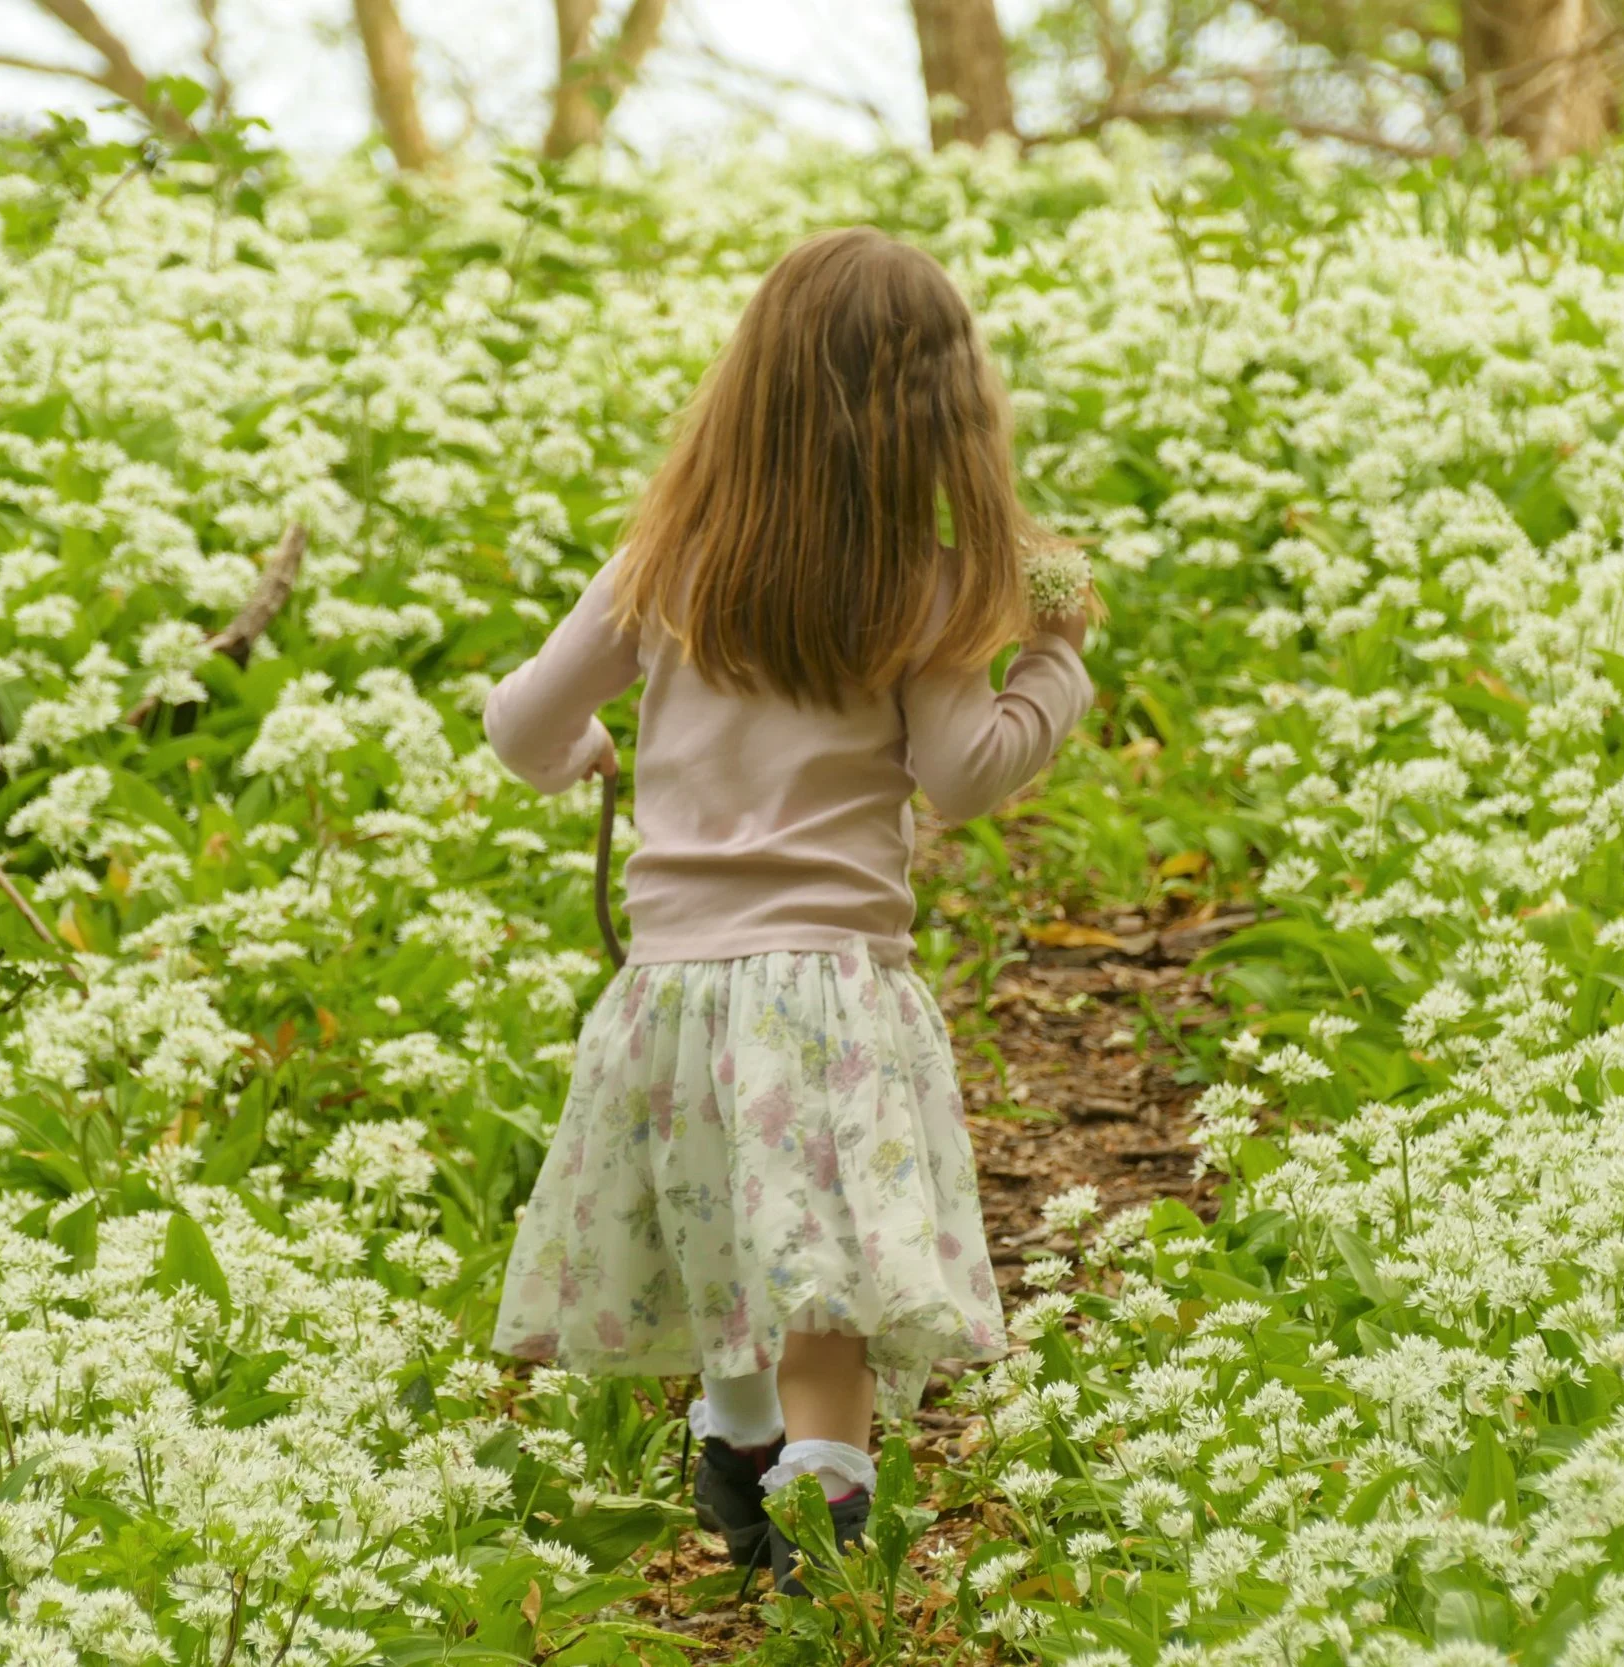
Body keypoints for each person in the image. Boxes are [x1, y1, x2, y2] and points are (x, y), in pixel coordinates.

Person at [483, 225, 1094, 1596]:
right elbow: (966, 776)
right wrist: (1053, 661)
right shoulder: (924, 584)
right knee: (828, 1280)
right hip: (829, 992)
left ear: (751, 387)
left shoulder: (665, 564)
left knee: (724, 1232)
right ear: (942, 418)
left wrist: (579, 753)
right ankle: (819, 1520)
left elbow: (523, 724)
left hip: (679, 990)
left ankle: (738, 1442)